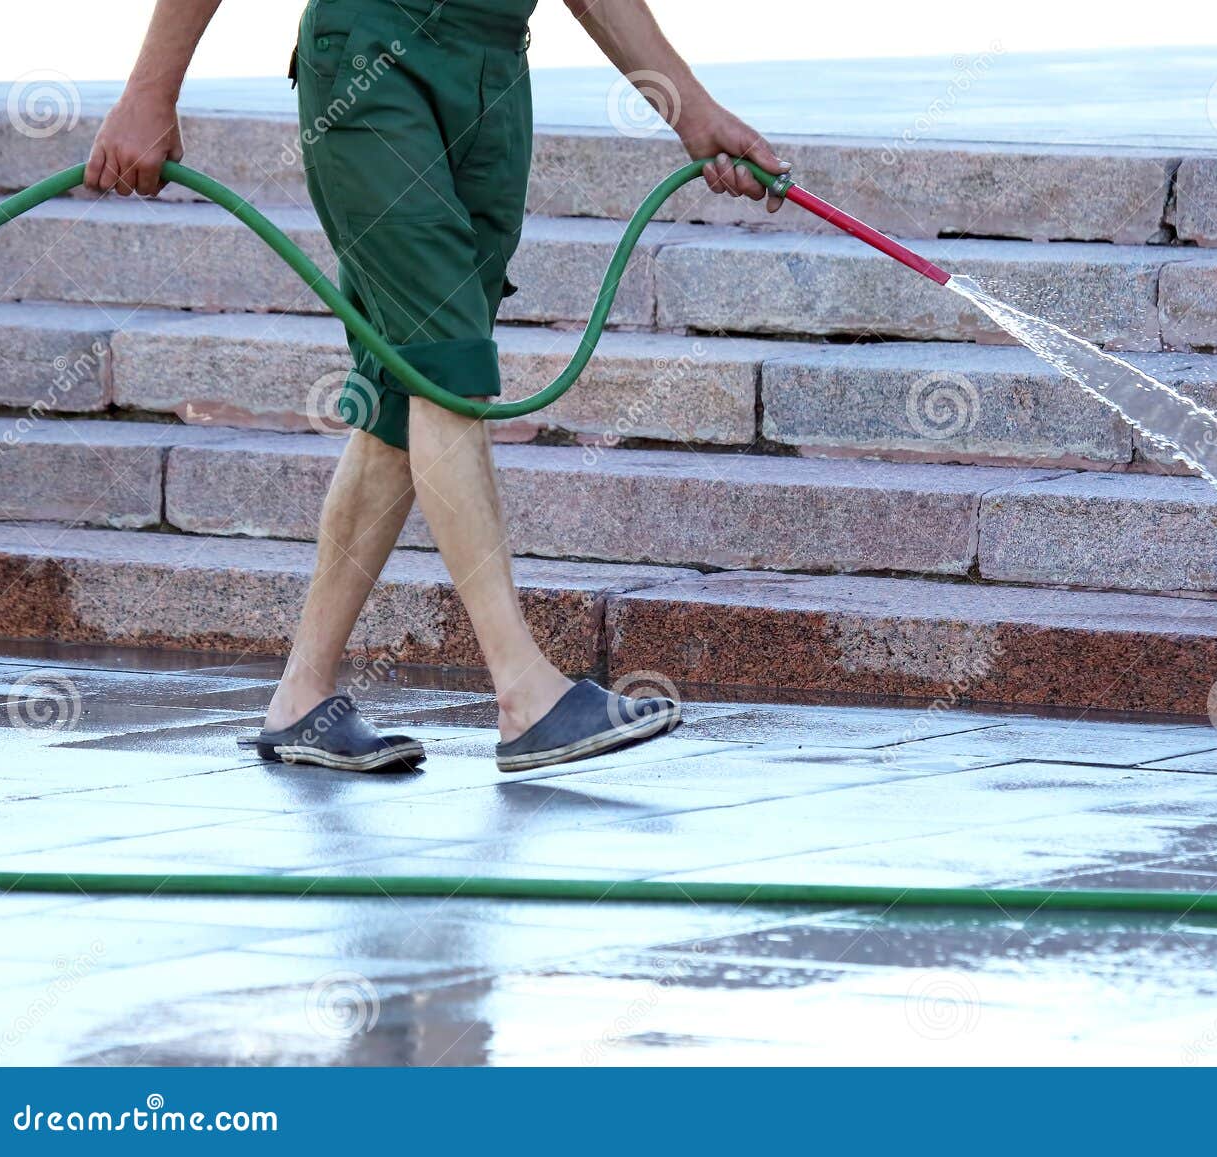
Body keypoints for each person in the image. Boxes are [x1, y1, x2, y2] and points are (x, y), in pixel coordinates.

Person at [87, 0, 789, 773]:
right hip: (373, 57)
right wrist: (150, 91)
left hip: (492, 70)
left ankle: (300, 698)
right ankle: (525, 692)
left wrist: (691, 111)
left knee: (404, 385)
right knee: (446, 360)